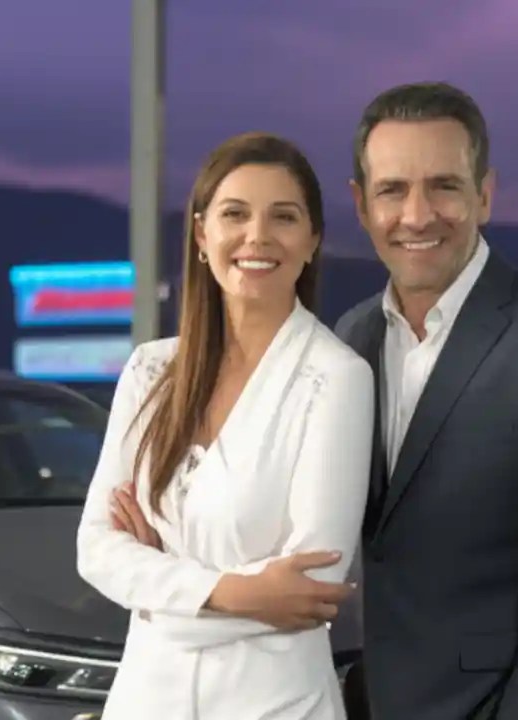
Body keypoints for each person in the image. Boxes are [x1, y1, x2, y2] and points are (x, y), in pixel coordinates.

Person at [332, 81, 518, 719]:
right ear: (361, 204)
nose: (417, 215)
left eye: (443, 186)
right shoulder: (351, 339)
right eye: (392, 190)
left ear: (485, 195)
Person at [76, 131, 374, 719]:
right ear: (201, 235)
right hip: (146, 700)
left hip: (274, 703)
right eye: (235, 214)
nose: (256, 236)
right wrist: (241, 592)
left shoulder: (337, 378)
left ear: (313, 240)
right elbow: (96, 549)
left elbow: (311, 588)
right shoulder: (151, 371)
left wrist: (154, 591)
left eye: (283, 217)